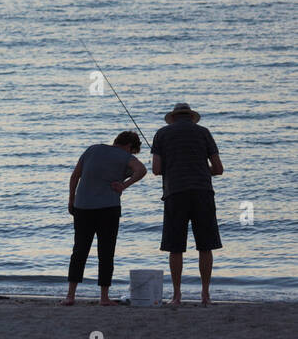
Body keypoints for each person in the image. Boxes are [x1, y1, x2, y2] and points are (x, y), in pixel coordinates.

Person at [151, 102, 223, 305]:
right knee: (205, 246)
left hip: (175, 193)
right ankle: (205, 294)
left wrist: (172, 167)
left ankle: (176, 295)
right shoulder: (204, 132)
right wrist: (200, 169)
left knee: (175, 247)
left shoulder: (161, 134)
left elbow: (156, 169)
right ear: (191, 117)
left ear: (173, 117)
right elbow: (218, 168)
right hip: (203, 193)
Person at [64, 131, 146, 305]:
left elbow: (74, 176)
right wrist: (124, 185)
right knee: (106, 252)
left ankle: (70, 296)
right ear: (130, 147)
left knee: (79, 251)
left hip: (83, 207)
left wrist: (71, 200)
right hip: (108, 209)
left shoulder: (92, 149)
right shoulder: (125, 156)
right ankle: (104, 297)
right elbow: (141, 170)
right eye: (133, 151)